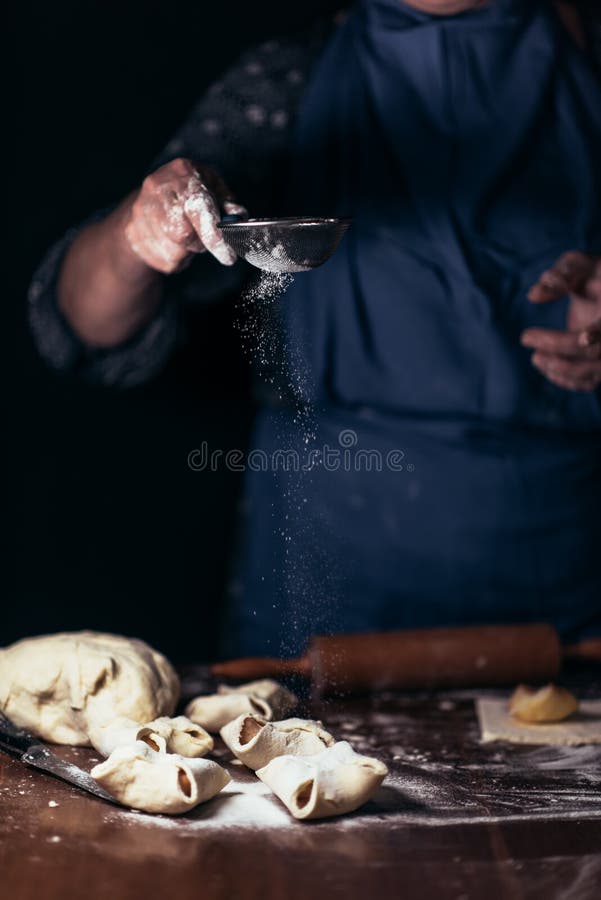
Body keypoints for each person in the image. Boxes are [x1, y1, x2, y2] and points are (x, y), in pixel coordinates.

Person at [29, 0, 601, 658]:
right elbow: (82, 325)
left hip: (565, 578)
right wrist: (138, 237)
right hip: (330, 570)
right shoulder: (287, 83)